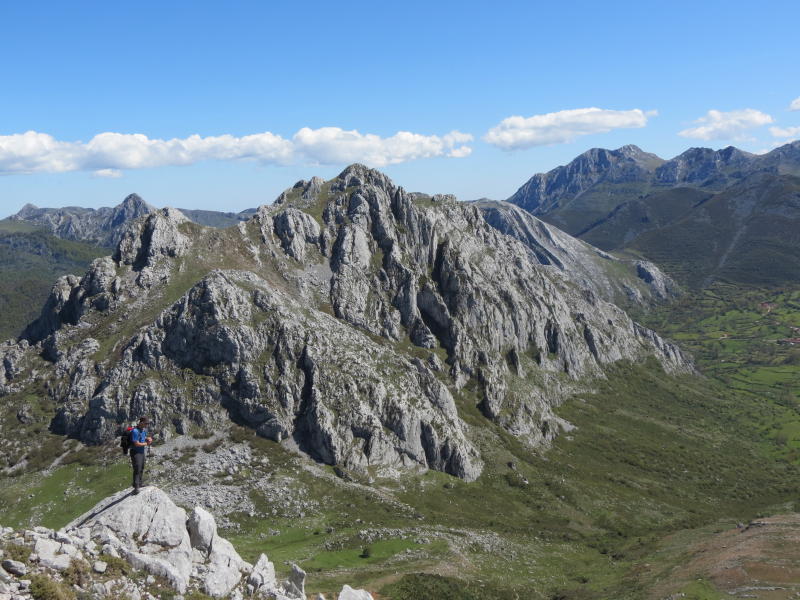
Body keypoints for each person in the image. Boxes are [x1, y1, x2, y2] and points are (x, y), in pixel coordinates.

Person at [130, 416, 153, 494]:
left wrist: (147, 438)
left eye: (148, 423)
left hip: (141, 452)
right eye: (146, 423)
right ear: (141, 422)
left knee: (141, 467)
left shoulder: (143, 430)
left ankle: (139, 483)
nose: (147, 425)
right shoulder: (135, 431)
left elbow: (143, 437)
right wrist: (146, 443)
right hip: (135, 452)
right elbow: (136, 443)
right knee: (137, 468)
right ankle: (136, 486)